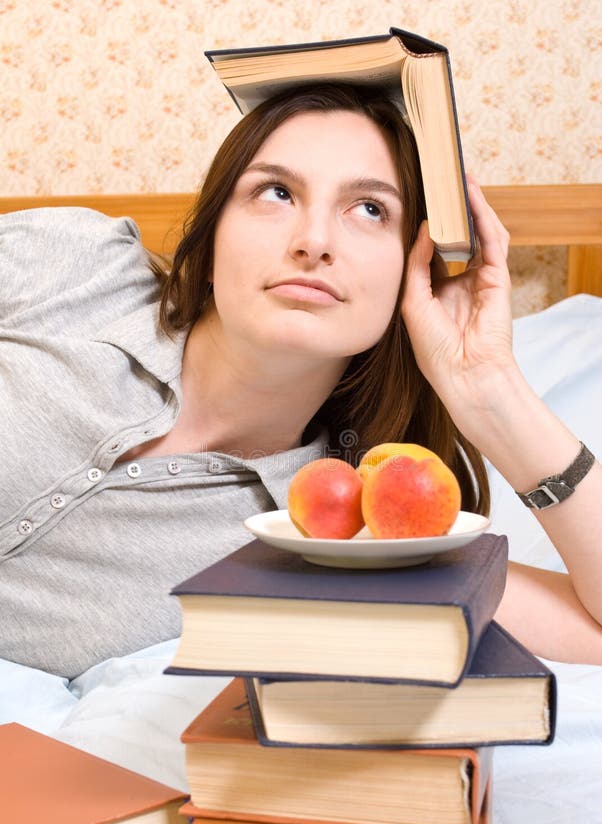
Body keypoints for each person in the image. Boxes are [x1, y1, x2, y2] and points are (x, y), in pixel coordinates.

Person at [1, 83, 600, 680]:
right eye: (277, 192)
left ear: (409, 275)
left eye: (370, 209)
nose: (314, 242)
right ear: (210, 243)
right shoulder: (76, 264)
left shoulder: (341, 530)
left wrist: (490, 389)